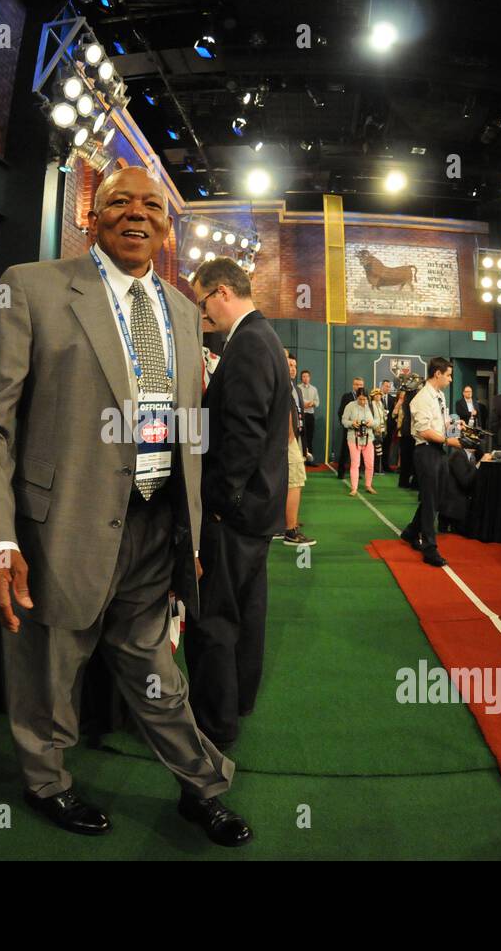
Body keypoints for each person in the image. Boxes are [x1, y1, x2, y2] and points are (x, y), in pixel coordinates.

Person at [0, 165, 250, 847]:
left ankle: (202, 786)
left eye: (153, 205)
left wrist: (193, 529)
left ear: (168, 228)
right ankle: (46, 783)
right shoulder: (30, 289)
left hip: (153, 527)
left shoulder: (181, 309)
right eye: (120, 201)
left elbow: (187, 431)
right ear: (92, 215)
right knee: (47, 675)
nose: (137, 214)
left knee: (156, 672)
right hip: (58, 532)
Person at [184, 257, 290, 753]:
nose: (203, 315)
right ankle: (239, 702)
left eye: (203, 303)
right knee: (249, 614)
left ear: (222, 292)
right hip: (259, 511)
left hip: (236, 512)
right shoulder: (264, 337)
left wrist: (220, 504)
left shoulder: (246, 343)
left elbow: (243, 437)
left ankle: (214, 723)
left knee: (215, 621)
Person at [400, 358, 463, 568]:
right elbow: (423, 431)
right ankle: (429, 547)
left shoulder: (440, 396)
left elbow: (441, 424)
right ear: (437, 373)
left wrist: (455, 423)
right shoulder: (421, 398)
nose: (450, 379)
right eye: (448, 375)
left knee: (436, 496)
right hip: (425, 451)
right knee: (430, 498)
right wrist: (448, 440)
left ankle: (411, 531)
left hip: (438, 450)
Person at [282, 354, 315, 546]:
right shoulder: (283, 384)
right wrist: (289, 437)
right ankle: (290, 530)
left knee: (288, 481)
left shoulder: (294, 387)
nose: (293, 368)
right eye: (289, 364)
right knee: (295, 479)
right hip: (286, 439)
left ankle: (285, 523)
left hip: (295, 436)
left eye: (295, 365)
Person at [343, 389, 377, 495]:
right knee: (355, 464)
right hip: (354, 438)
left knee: (370, 464)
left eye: (365, 399)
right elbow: (344, 420)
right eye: (360, 399)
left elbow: (378, 421)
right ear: (356, 397)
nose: (363, 401)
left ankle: (368, 485)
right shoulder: (350, 406)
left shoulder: (372, 405)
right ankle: (354, 488)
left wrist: (370, 423)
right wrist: (352, 423)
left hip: (369, 438)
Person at [336, 377, 364, 480]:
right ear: (353, 385)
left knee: (359, 450)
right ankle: (341, 472)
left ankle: (357, 472)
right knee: (345, 450)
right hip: (349, 428)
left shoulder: (364, 397)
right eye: (357, 384)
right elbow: (341, 412)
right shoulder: (347, 397)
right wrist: (346, 424)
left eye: (361, 385)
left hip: (361, 429)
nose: (359, 386)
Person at [297, 369, 319, 464]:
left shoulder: (314, 389)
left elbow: (317, 402)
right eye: (303, 376)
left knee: (310, 437)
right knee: (301, 437)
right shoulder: (298, 388)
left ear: (310, 378)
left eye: (307, 376)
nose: (305, 378)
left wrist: (312, 404)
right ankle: (300, 459)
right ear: (301, 378)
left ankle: (310, 460)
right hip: (300, 415)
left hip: (310, 415)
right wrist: (303, 404)